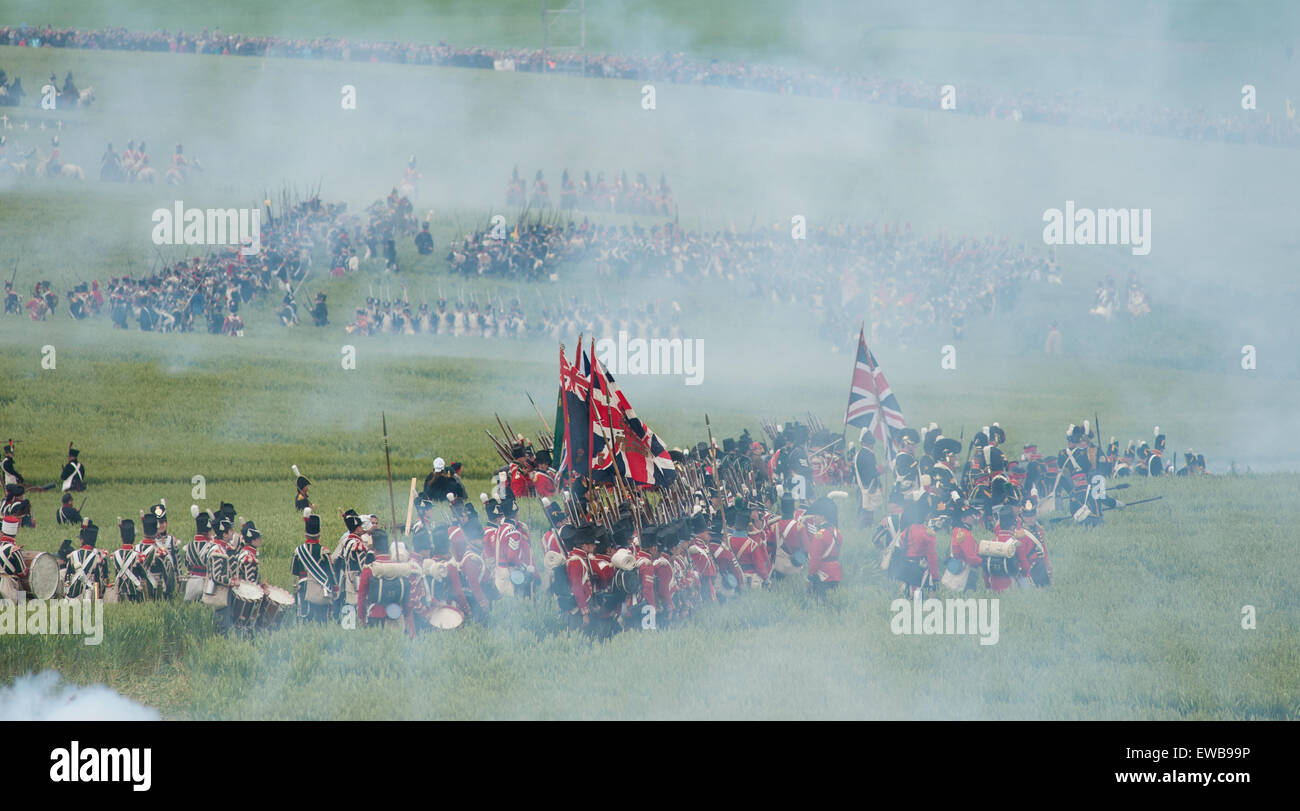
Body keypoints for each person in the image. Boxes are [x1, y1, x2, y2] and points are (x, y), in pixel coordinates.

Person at [291, 511, 334, 622]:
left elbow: (294, 571)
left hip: (303, 588)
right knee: (322, 620)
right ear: (319, 533)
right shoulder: (324, 552)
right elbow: (331, 574)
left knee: (304, 619)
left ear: (305, 533)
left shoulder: (298, 551)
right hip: (320, 588)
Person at [64, 520, 108, 599]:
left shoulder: (73, 555)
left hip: (72, 597)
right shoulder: (100, 558)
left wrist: (66, 593)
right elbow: (103, 582)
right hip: (92, 598)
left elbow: (66, 579)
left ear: (82, 540)